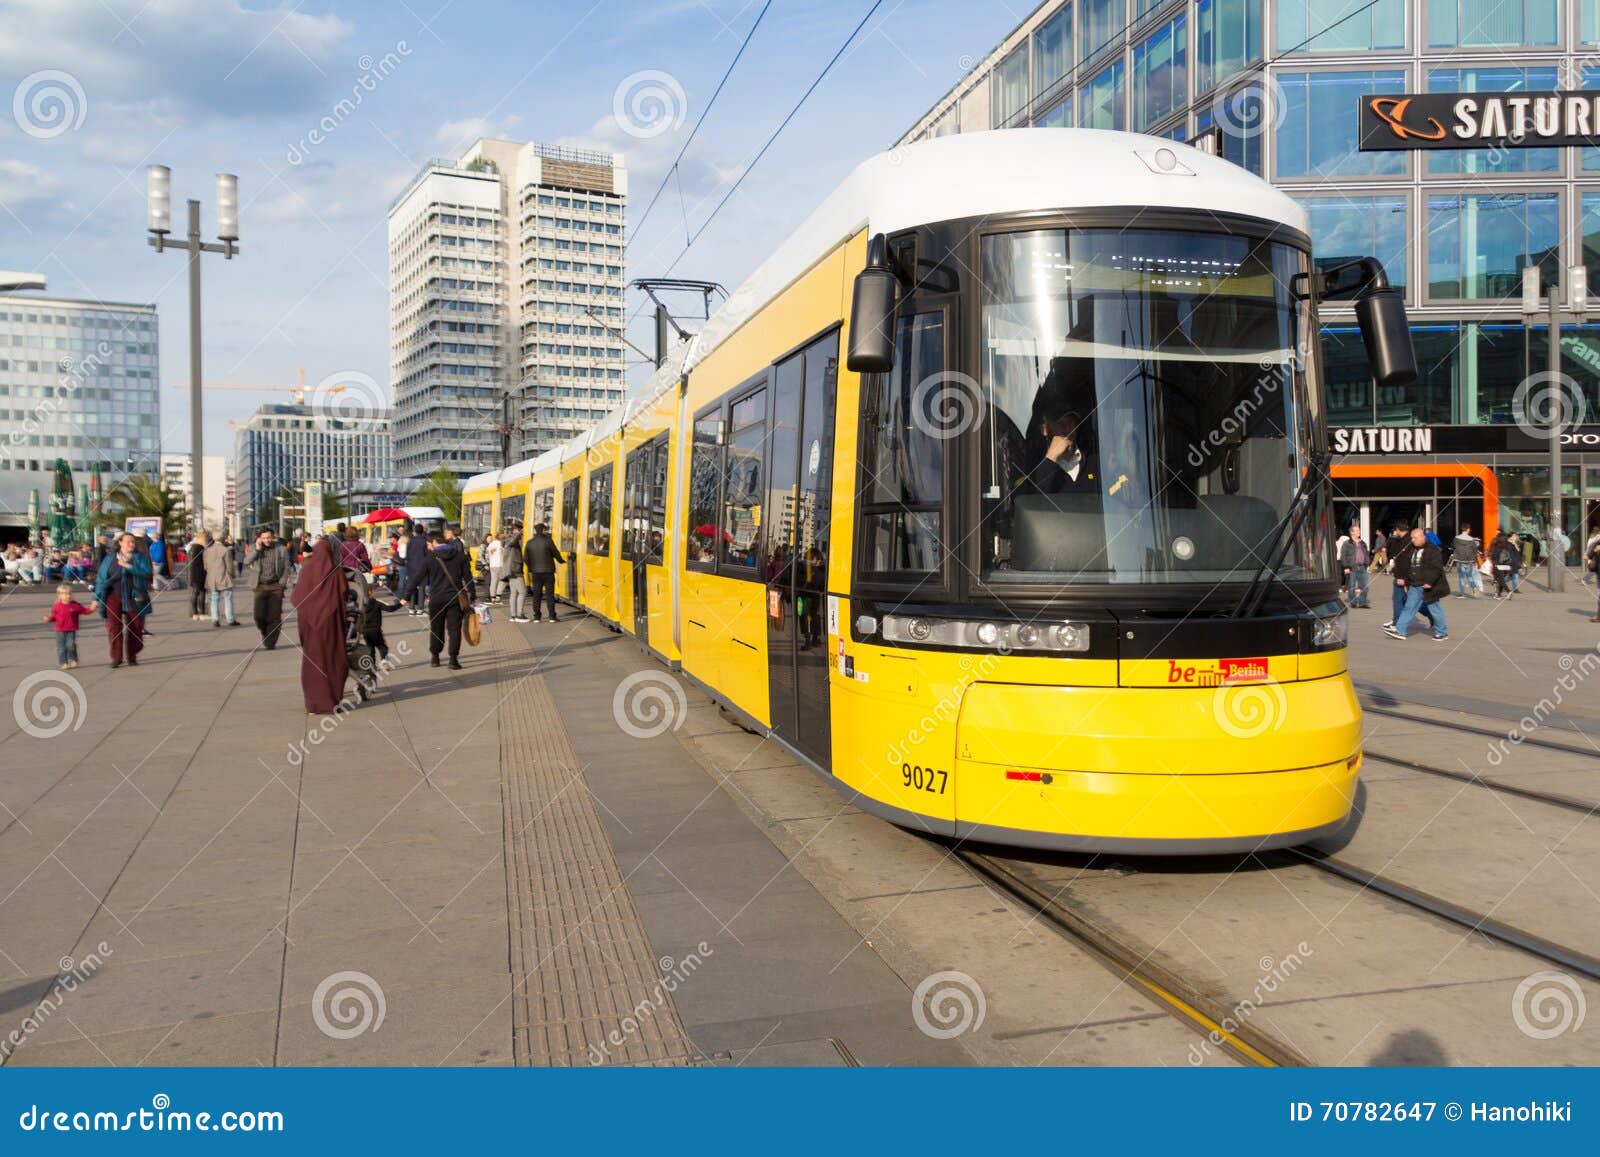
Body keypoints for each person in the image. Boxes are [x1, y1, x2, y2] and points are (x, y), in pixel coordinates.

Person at [290, 535, 349, 714]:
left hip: (309, 624)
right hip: (330, 625)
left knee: (312, 661)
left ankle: (314, 703)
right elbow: (344, 595)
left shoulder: (306, 570)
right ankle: (331, 700)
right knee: (334, 659)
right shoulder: (336, 572)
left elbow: (298, 596)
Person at [400, 531, 475, 669]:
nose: (428, 547)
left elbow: (416, 578)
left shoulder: (430, 558)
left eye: (428, 544)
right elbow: (468, 577)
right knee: (454, 629)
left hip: (436, 599)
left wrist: (406, 597)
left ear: (434, 542)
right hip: (455, 598)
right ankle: (453, 659)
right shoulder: (460, 556)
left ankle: (435, 657)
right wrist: (473, 595)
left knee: (436, 629)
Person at [92, 532, 153, 667]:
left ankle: (132, 655)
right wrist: (95, 598)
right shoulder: (110, 558)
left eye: (133, 542)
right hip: (113, 596)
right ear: (120, 542)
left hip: (134, 597)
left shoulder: (140, 557)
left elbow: (146, 572)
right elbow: (101, 578)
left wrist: (128, 566)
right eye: (128, 541)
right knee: (114, 628)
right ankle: (116, 658)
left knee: (136, 627)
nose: (131, 544)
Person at [1386, 527, 1449, 641]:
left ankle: (1442, 632)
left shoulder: (1433, 550)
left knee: (1434, 609)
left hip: (1429, 586)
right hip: (1415, 584)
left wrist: (1429, 582)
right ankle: (1400, 630)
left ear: (1423, 537)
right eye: (1412, 538)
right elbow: (1406, 566)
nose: (1413, 540)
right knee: (1409, 608)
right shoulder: (1411, 549)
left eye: (1415, 538)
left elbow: (1436, 568)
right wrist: (1405, 581)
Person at [244, 527, 291, 649]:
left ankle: (271, 642)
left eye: (269, 537)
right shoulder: (254, 547)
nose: (267, 540)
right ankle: (265, 633)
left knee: (274, 616)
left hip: (276, 586)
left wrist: (282, 582)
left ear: (273, 536)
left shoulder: (281, 549)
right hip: (260, 586)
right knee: (259, 616)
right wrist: (257, 550)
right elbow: (246, 562)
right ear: (259, 538)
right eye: (264, 538)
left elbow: (287, 567)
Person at [44, 582, 91, 669]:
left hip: (71, 629)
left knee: (71, 645)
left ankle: (73, 659)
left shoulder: (75, 605)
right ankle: (63, 662)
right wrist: (49, 619)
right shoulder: (56, 606)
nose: (68, 596)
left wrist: (92, 608)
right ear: (59, 596)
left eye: (69, 594)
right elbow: (54, 616)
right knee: (61, 648)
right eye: (65, 594)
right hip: (60, 630)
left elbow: (85, 611)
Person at [526, 521, 565, 623]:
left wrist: (531, 568)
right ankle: (552, 616)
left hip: (535, 573)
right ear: (543, 530)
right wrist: (561, 561)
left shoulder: (529, 543)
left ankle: (537, 617)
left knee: (537, 595)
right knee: (549, 595)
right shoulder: (548, 541)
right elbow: (555, 553)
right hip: (548, 572)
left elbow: (526, 558)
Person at [203, 531, 239, 626]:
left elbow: (205, 566)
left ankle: (215, 619)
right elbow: (229, 566)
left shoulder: (207, 550)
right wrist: (232, 575)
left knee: (214, 599)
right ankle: (230, 619)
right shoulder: (225, 550)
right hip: (224, 576)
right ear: (223, 539)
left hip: (212, 577)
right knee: (228, 598)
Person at [1338, 524, 1371, 609]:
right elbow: (1343, 556)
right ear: (1351, 532)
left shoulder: (1362, 543)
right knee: (1351, 586)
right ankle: (1353, 602)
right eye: (1356, 530)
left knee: (1365, 586)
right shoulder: (1347, 543)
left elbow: (1366, 553)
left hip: (1362, 567)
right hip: (1352, 567)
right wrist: (1346, 567)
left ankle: (1362, 602)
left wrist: (1367, 562)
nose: (1359, 532)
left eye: (1359, 530)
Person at [501, 527, 530, 622]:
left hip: (512, 570)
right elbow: (513, 540)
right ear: (514, 532)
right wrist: (519, 532)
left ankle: (513, 615)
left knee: (513, 593)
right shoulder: (510, 541)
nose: (521, 536)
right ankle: (519, 615)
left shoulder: (508, 542)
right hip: (515, 570)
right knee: (522, 592)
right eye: (520, 534)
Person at [1448, 523, 1481, 598]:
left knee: (1461, 577)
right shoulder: (1471, 539)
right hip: (1469, 560)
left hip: (1460, 559)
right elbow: (1474, 550)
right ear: (1468, 529)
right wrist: (1475, 561)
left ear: (1462, 529)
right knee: (1470, 576)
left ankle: (1462, 593)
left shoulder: (1456, 538)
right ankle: (1474, 588)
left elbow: (1453, 545)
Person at [1490, 531, 1520, 600]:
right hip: (1508, 565)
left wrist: (1493, 563)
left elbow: (1493, 556)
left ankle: (1508, 591)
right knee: (1501, 579)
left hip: (1499, 565)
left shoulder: (1497, 545)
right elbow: (1516, 554)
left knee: (1500, 580)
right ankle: (1498, 594)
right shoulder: (1510, 545)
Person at [188, 532, 210, 620]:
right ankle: (201, 613)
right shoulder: (199, 547)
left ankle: (195, 613)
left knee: (195, 592)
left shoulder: (193, 547)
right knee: (201, 593)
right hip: (200, 572)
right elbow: (202, 561)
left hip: (194, 573)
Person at [484, 532, 504, 605]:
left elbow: (488, 555)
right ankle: (498, 597)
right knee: (502, 580)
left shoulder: (490, 544)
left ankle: (492, 598)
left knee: (493, 581)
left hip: (492, 565)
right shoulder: (501, 544)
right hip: (500, 565)